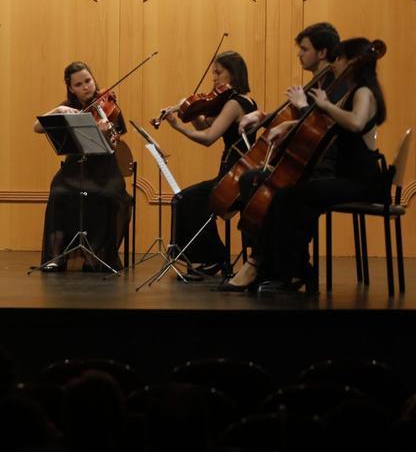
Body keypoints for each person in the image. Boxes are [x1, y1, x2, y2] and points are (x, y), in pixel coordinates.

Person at [232, 37, 388, 293]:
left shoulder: (363, 92)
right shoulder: (353, 91)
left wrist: (325, 104)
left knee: (289, 198)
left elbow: (356, 123)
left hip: (361, 182)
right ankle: (293, 270)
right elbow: (327, 125)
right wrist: (286, 125)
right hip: (350, 178)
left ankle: (282, 270)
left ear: (352, 62)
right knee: (288, 196)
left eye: (339, 58)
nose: (334, 63)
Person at [221, 23, 342, 291]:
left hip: (324, 167)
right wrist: (261, 116)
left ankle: (261, 263)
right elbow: (295, 122)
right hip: (305, 163)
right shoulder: (317, 83)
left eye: (304, 49)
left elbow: (321, 127)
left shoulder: (334, 85)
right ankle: (288, 267)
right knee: (251, 179)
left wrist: (300, 106)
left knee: (265, 185)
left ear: (322, 52)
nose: (299, 54)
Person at [159, 51, 257, 275]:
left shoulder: (235, 103)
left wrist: (177, 126)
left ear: (233, 74)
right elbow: (204, 126)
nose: (214, 78)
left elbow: (208, 138)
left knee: (187, 198)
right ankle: (213, 257)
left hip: (235, 176)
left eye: (218, 73)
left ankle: (216, 258)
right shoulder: (235, 101)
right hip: (232, 172)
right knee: (189, 198)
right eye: (213, 73)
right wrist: (192, 112)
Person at [34, 61, 132, 272]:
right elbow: (37, 127)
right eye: (79, 84)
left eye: (88, 80)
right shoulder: (68, 108)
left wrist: (105, 134)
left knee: (107, 195)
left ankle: (96, 255)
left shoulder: (110, 107)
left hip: (106, 170)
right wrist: (59, 109)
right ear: (71, 88)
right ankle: (57, 256)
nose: (86, 86)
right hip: (74, 168)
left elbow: (115, 143)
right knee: (59, 191)